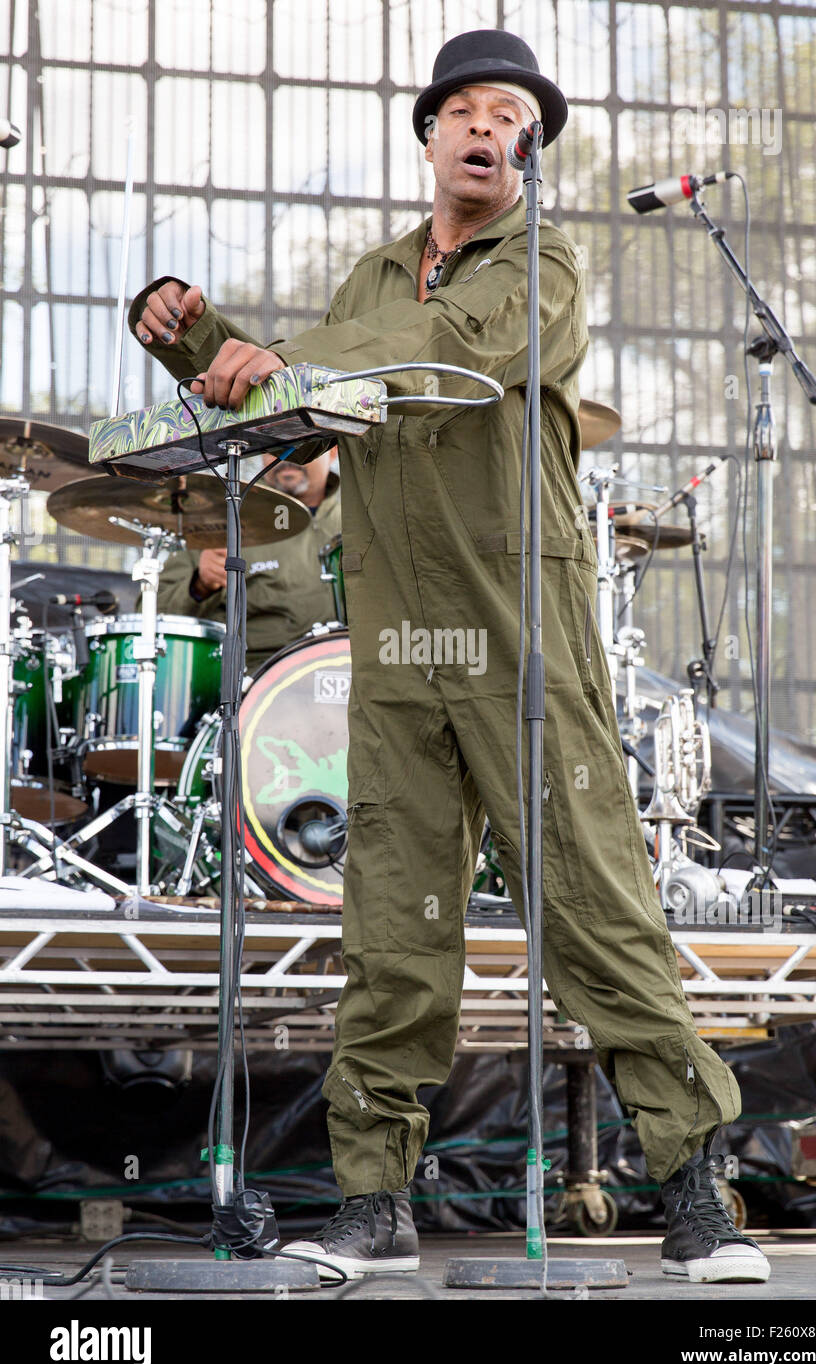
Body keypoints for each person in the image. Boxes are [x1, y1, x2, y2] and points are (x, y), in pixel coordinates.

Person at [128, 29, 770, 1286]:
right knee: (393, 927)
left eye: (509, 116)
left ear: (525, 146)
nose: (486, 128)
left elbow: (447, 352)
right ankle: (374, 1199)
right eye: (465, 111)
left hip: (521, 638)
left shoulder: (543, 263)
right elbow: (298, 398)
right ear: (427, 135)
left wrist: (287, 355)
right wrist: (196, 341)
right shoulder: (371, 276)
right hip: (400, 648)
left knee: (592, 909)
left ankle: (696, 1190)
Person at [153, 447, 342, 673]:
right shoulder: (227, 516)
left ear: (332, 452)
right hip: (255, 678)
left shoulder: (361, 513)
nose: (287, 458)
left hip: (345, 672)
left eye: (301, 447)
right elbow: (152, 613)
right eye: (276, 447)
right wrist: (199, 586)